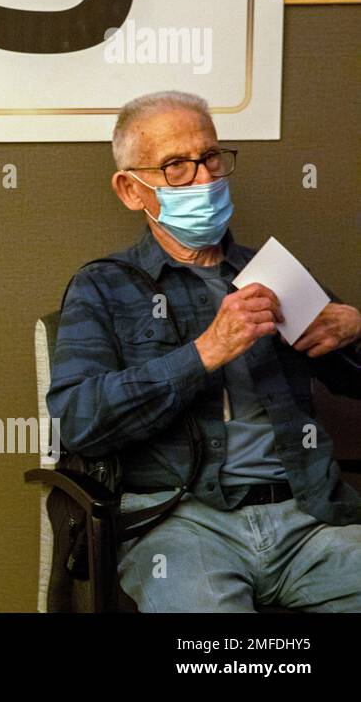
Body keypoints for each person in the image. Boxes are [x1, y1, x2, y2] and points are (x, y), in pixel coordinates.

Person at [47, 90, 361, 611]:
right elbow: (80, 420)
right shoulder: (103, 287)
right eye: (176, 166)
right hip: (182, 527)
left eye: (211, 157)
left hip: (307, 518)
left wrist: (354, 327)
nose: (204, 178)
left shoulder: (272, 270)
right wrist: (202, 353)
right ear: (131, 189)